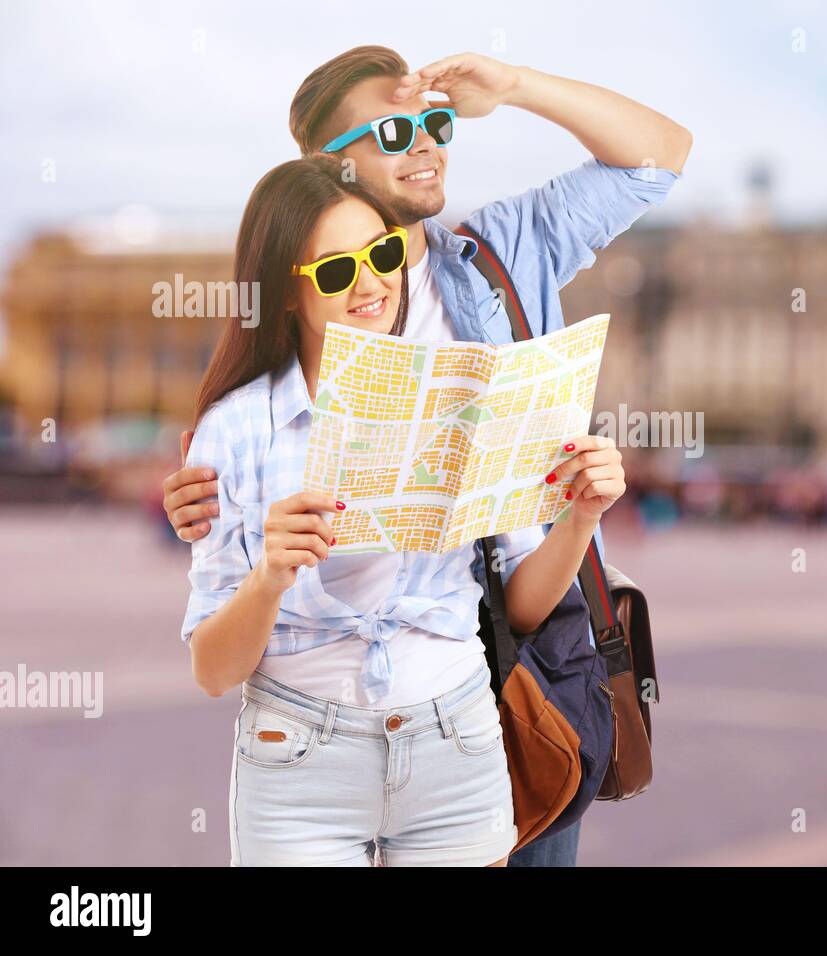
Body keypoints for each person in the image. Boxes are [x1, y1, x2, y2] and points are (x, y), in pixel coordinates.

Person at [162, 47, 691, 866]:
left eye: (435, 123)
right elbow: (249, 445)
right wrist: (227, 508)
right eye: (393, 131)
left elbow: (660, 156)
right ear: (327, 164)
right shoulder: (279, 356)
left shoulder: (500, 252)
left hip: (510, 658)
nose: (426, 144)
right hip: (329, 701)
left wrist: (516, 86)